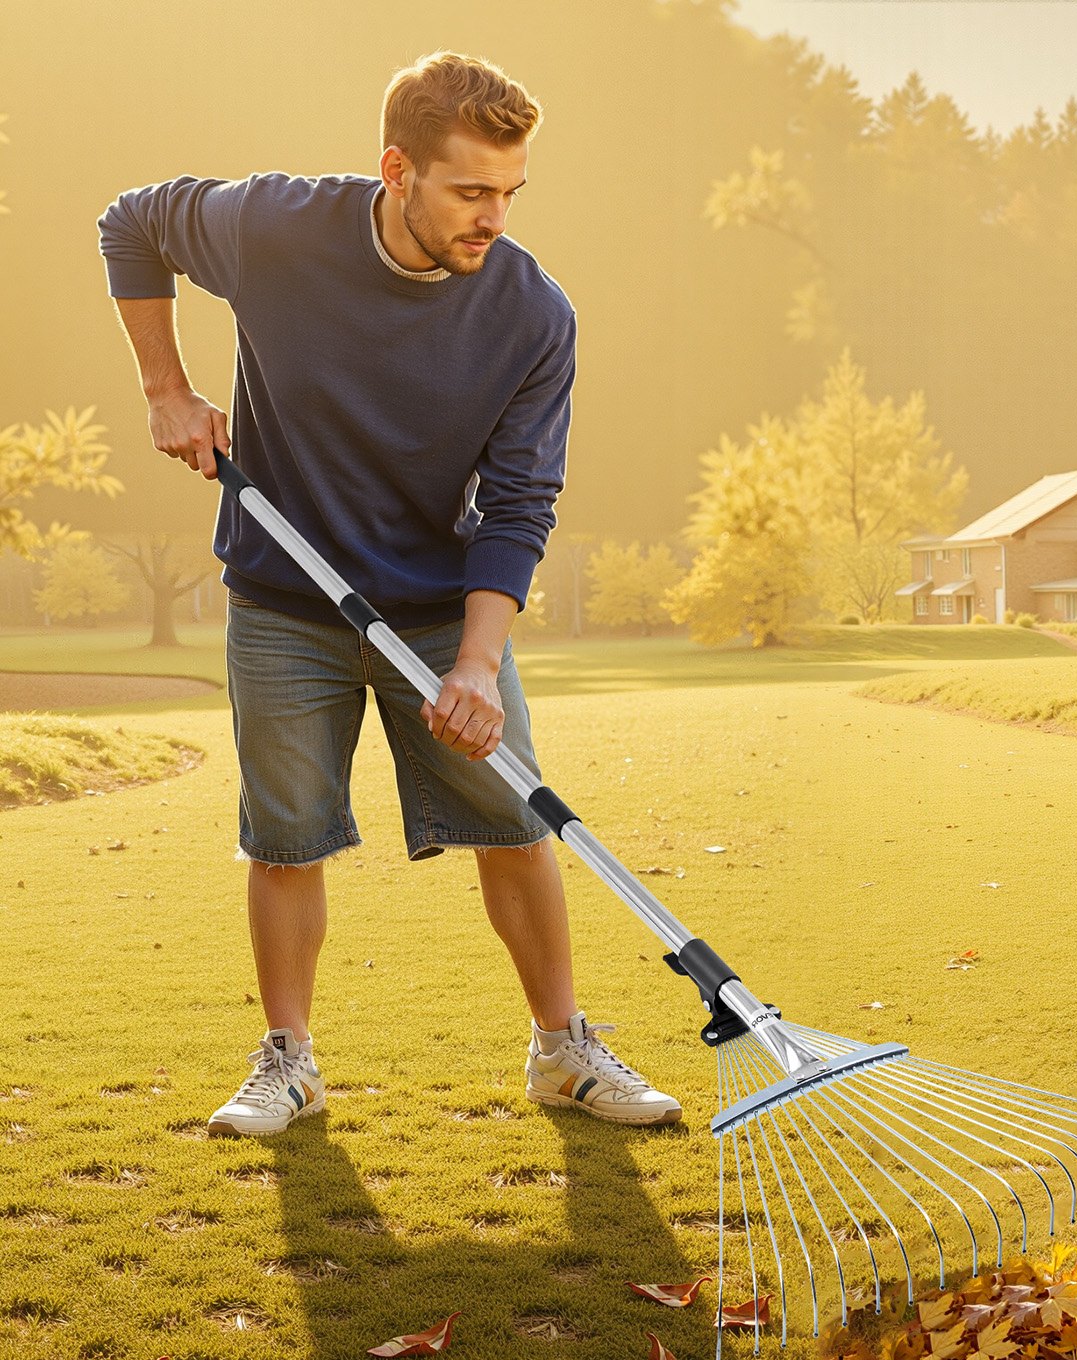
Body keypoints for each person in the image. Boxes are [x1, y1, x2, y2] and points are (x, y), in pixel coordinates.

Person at [95, 49, 681, 1134]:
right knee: (286, 836)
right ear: (397, 170)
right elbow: (130, 223)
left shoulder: (530, 314)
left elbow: (520, 502)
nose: (492, 218)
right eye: (470, 191)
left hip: (440, 608)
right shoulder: (275, 229)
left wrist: (477, 662)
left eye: (510, 192)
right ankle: (289, 1063)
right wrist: (164, 386)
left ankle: (562, 1051)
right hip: (283, 600)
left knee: (515, 821)